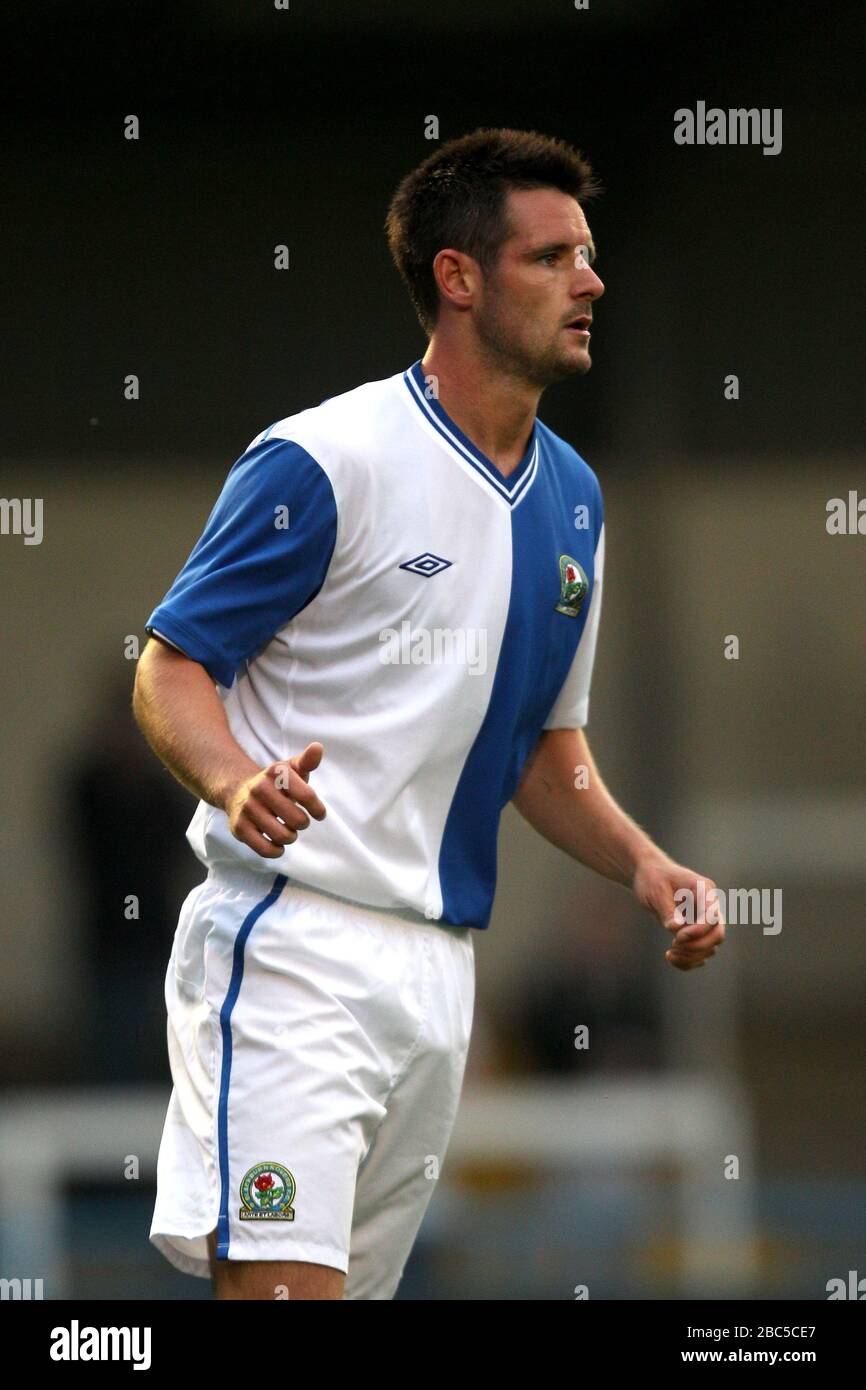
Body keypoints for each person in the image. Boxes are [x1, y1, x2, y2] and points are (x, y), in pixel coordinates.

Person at [132, 126, 725, 1302]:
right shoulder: (323, 457)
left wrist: (643, 865)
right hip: (297, 944)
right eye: (553, 256)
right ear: (457, 277)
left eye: (589, 254)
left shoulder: (573, 498)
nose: (591, 280)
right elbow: (168, 665)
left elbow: (541, 749)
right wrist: (233, 778)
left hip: (439, 977)